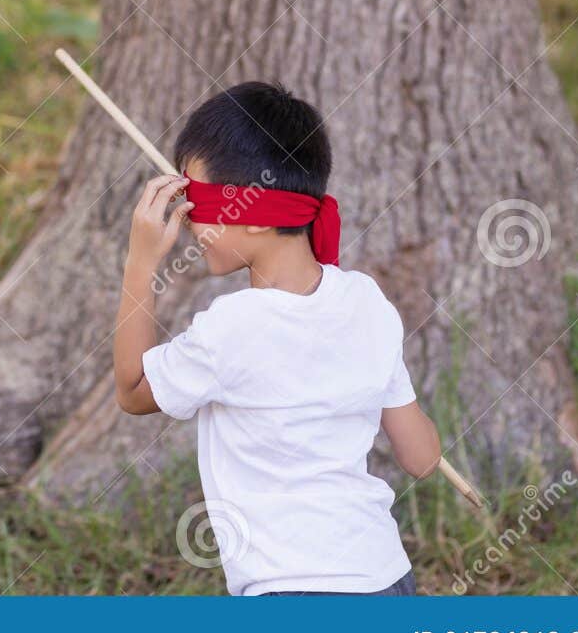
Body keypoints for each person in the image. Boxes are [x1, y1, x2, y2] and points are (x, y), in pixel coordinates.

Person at [113, 81, 441, 596]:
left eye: (194, 197)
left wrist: (141, 263)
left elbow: (133, 391)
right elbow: (422, 459)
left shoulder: (233, 326)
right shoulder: (367, 301)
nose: (187, 217)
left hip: (292, 591)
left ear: (254, 214)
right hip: (387, 580)